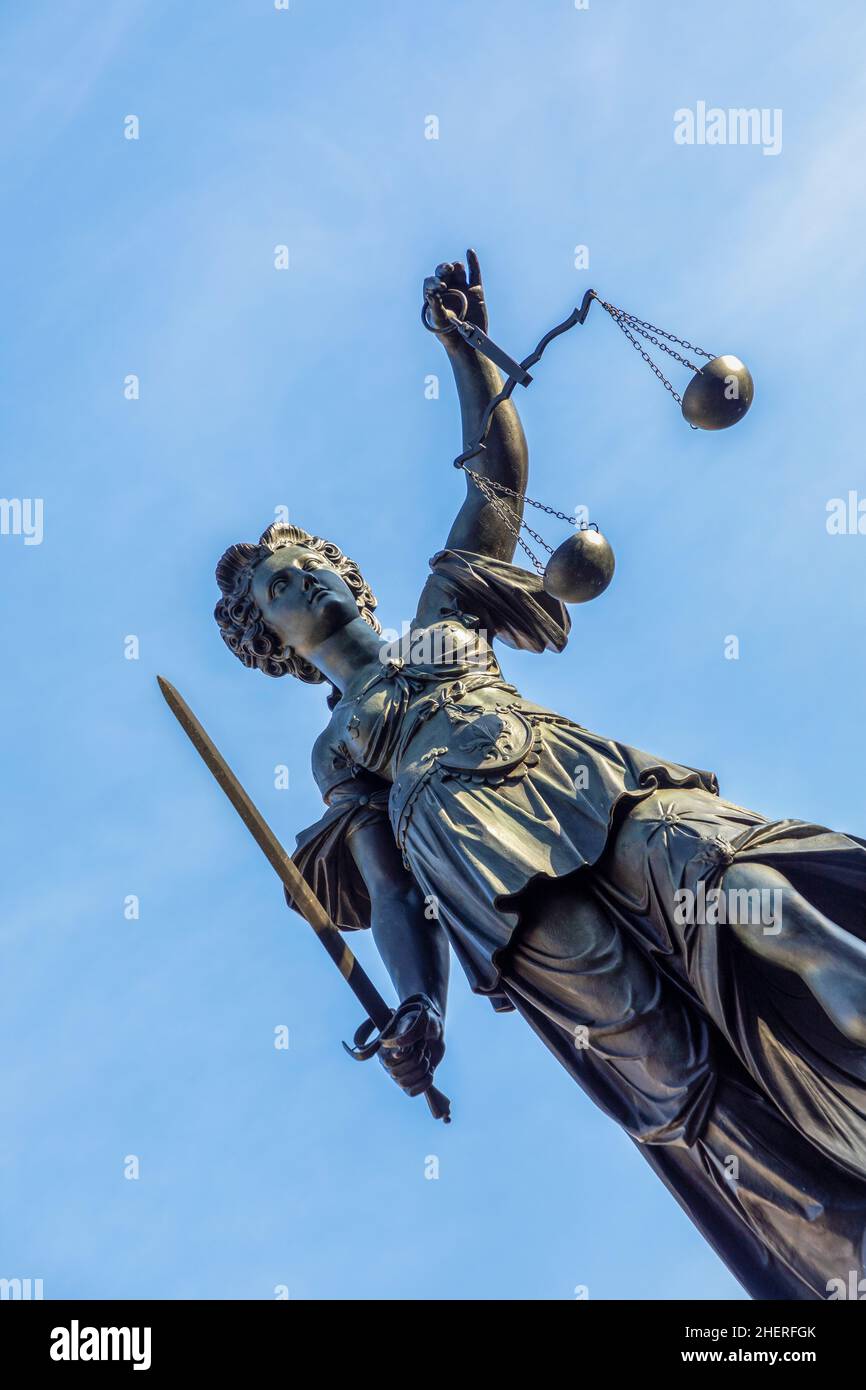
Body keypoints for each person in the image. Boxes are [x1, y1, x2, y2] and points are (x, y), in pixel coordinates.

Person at [213, 252, 866, 1298]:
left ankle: (849, 994)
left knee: (715, 867)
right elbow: (388, 892)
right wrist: (416, 1004)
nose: (297, 582)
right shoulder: (337, 752)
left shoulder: (438, 613)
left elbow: (497, 482)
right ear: (277, 644)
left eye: (304, 564)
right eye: (276, 590)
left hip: (576, 785)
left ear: (347, 571)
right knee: (658, 1065)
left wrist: (464, 353)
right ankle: (835, 1247)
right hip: (483, 882)